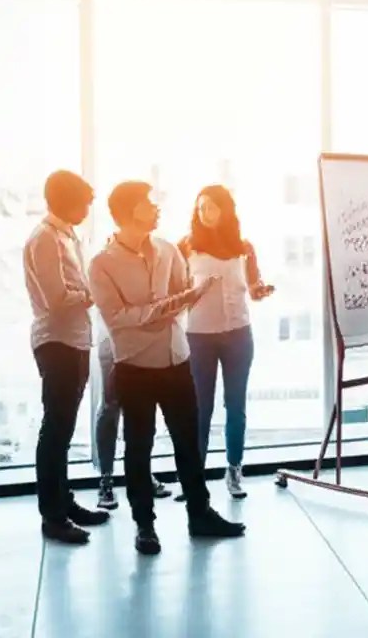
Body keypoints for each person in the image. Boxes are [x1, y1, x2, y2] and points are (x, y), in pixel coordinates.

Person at [88, 181, 245, 555]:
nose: (156, 208)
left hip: (177, 359)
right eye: (148, 203)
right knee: (138, 447)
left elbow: (181, 297)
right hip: (135, 366)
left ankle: (200, 514)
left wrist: (187, 299)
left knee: (188, 442)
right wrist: (158, 311)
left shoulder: (168, 250)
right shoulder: (101, 264)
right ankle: (145, 525)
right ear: (130, 211)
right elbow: (116, 317)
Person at [23, 170, 111, 544]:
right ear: (67, 201)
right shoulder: (45, 238)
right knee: (56, 431)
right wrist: (91, 294)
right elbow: (56, 299)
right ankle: (54, 516)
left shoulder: (67, 236)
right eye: (84, 203)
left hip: (74, 340)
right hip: (56, 341)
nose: (87, 210)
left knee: (63, 430)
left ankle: (64, 502)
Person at [179, 185, 274, 500]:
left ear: (225, 209)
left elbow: (253, 287)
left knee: (235, 405)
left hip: (237, 334)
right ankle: (195, 477)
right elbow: (175, 289)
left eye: (211, 206)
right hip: (199, 336)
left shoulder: (244, 247)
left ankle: (234, 470)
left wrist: (261, 291)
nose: (205, 213)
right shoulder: (186, 247)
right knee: (199, 408)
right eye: (201, 207)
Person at [95, 332, 174, 510]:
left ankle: (142, 475)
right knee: (110, 409)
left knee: (141, 409)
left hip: (141, 346)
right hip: (113, 341)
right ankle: (106, 480)